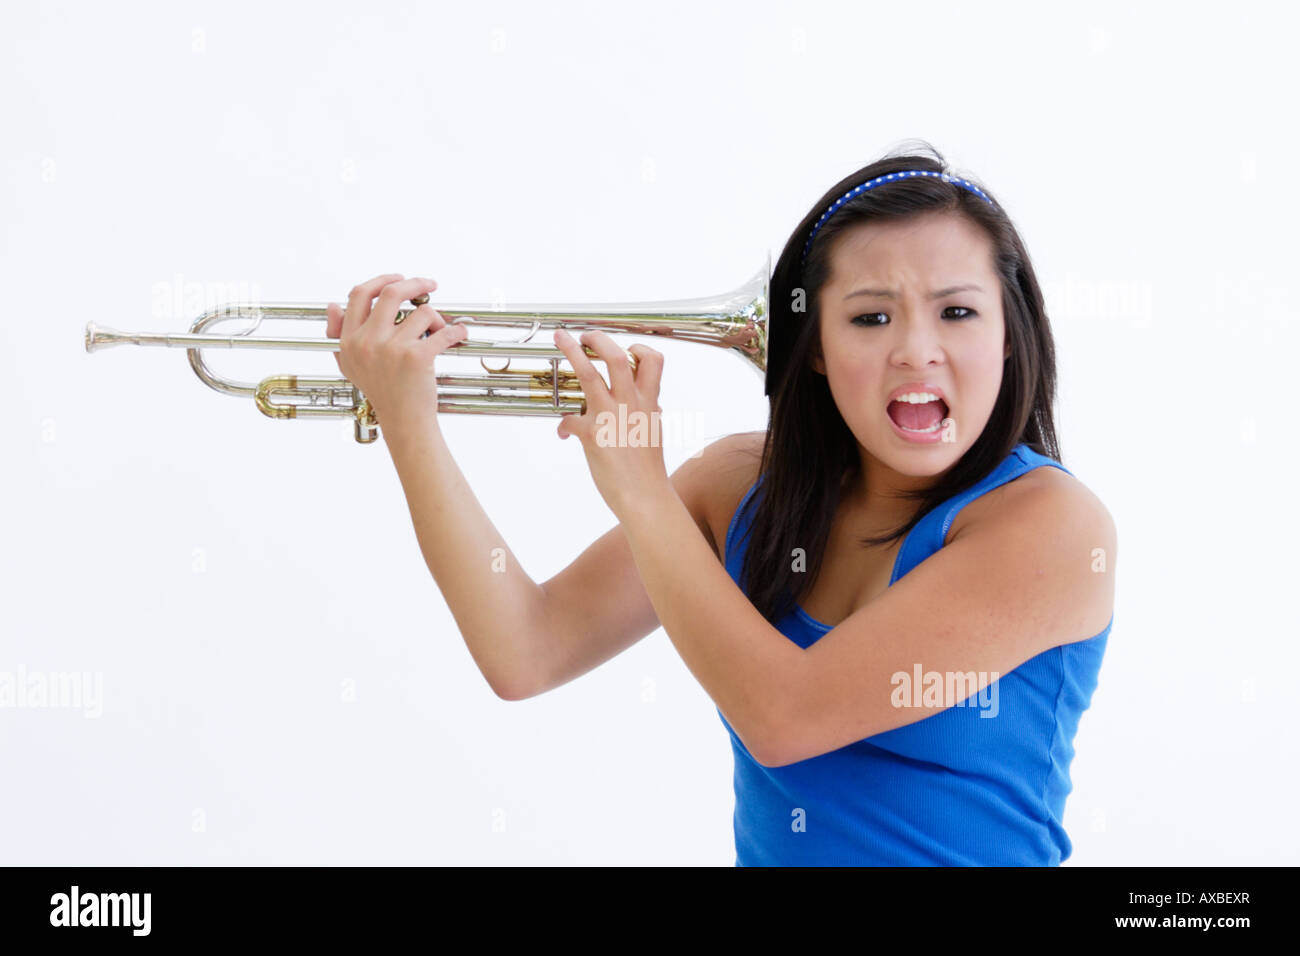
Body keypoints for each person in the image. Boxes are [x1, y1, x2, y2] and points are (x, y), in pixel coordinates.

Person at [323, 140, 1116, 866]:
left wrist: (639, 488)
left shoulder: (1050, 527)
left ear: (1010, 335)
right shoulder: (738, 485)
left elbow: (785, 718)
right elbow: (526, 650)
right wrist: (407, 419)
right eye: (870, 317)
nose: (916, 349)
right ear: (813, 351)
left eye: (957, 311)